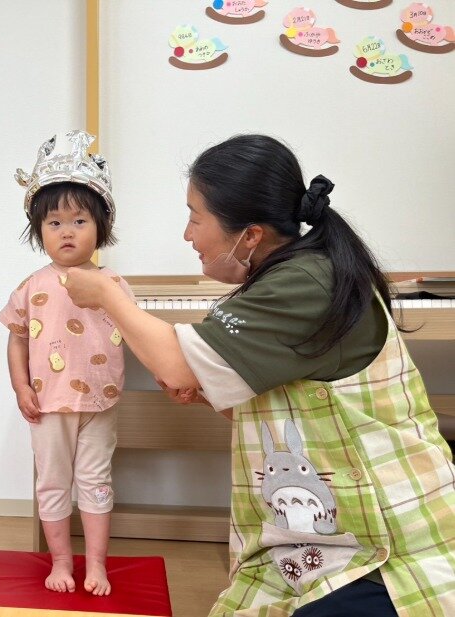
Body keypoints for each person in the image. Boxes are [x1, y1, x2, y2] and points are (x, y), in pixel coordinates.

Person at [64, 134, 455, 616]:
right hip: (335, 530)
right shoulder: (302, 272)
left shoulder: (304, 283)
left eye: (195, 218)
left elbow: (177, 363)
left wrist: (107, 295)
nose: (187, 235)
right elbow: (300, 408)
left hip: (391, 537)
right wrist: (213, 396)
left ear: (250, 235)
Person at [0, 130, 135, 596]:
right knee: (53, 482)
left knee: (95, 481)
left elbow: (137, 332)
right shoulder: (30, 285)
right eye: (54, 223)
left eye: (79, 220)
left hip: (100, 401)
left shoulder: (113, 282)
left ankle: (96, 564)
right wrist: (21, 387)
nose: (67, 231)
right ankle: (60, 560)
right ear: (39, 230)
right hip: (48, 404)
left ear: (101, 226)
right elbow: (16, 340)